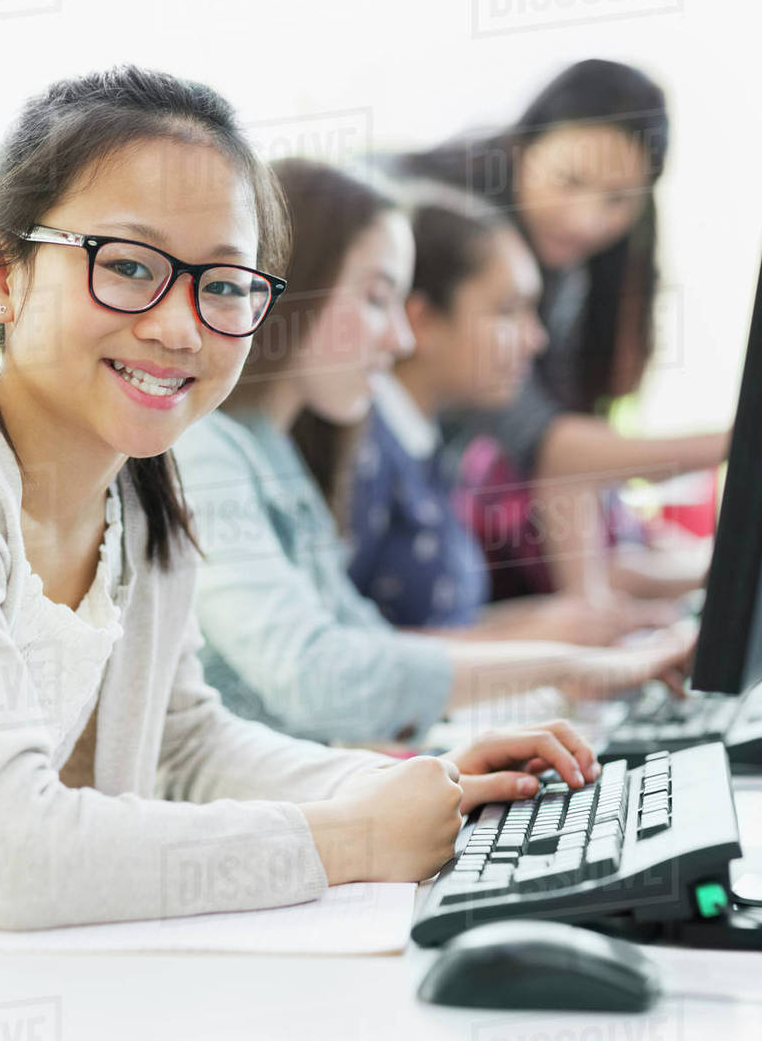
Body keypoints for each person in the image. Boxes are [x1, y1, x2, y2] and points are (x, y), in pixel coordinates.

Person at [0, 66, 608, 932]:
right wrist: (347, 839)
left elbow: (187, 744)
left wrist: (405, 787)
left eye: (224, 283)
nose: (180, 326)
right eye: (127, 265)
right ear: (1, 271)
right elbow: (3, 855)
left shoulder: (147, 494)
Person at [175, 157, 694, 753]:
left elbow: (364, 644)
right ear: (293, 281)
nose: (399, 338)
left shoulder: (269, 454)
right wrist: (572, 664)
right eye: (376, 299)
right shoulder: (204, 450)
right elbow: (316, 677)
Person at [399, 60, 729, 604]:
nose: (587, 221)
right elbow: (545, 444)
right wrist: (735, 446)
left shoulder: (562, 268)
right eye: (570, 181)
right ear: (521, 148)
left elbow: (558, 439)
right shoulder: (448, 232)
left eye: (618, 200)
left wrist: (589, 608)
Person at [347, 183, 675, 642]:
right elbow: (349, 655)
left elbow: (439, 630)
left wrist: (564, 624)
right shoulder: (362, 454)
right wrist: (538, 633)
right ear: (422, 321)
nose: (534, 338)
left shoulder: (430, 447)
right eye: (507, 311)